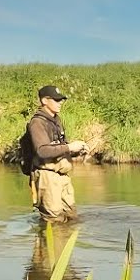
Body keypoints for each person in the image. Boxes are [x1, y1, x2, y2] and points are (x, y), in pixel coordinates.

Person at [27, 85, 88, 223]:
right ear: (44, 101)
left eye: (61, 100)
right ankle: (47, 244)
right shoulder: (37, 123)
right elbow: (42, 151)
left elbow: (60, 149)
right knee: (54, 221)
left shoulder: (56, 121)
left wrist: (76, 151)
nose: (60, 102)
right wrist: (69, 147)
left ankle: (67, 244)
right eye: (56, 100)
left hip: (62, 177)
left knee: (72, 218)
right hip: (47, 177)